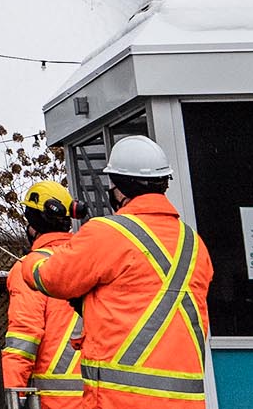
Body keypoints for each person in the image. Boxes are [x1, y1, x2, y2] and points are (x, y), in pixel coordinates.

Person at [22, 137, 212, 407]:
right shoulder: (194, 244)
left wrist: (35, 256)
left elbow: (50, 277)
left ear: (120, 188)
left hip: (121, 400)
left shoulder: (108, 233)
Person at [4, 181, 88, 408]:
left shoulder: (29, 269)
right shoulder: (91, 261)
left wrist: (9, 399)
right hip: (103, 397)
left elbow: (22, 342)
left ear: (33, 225)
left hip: (57, 402)